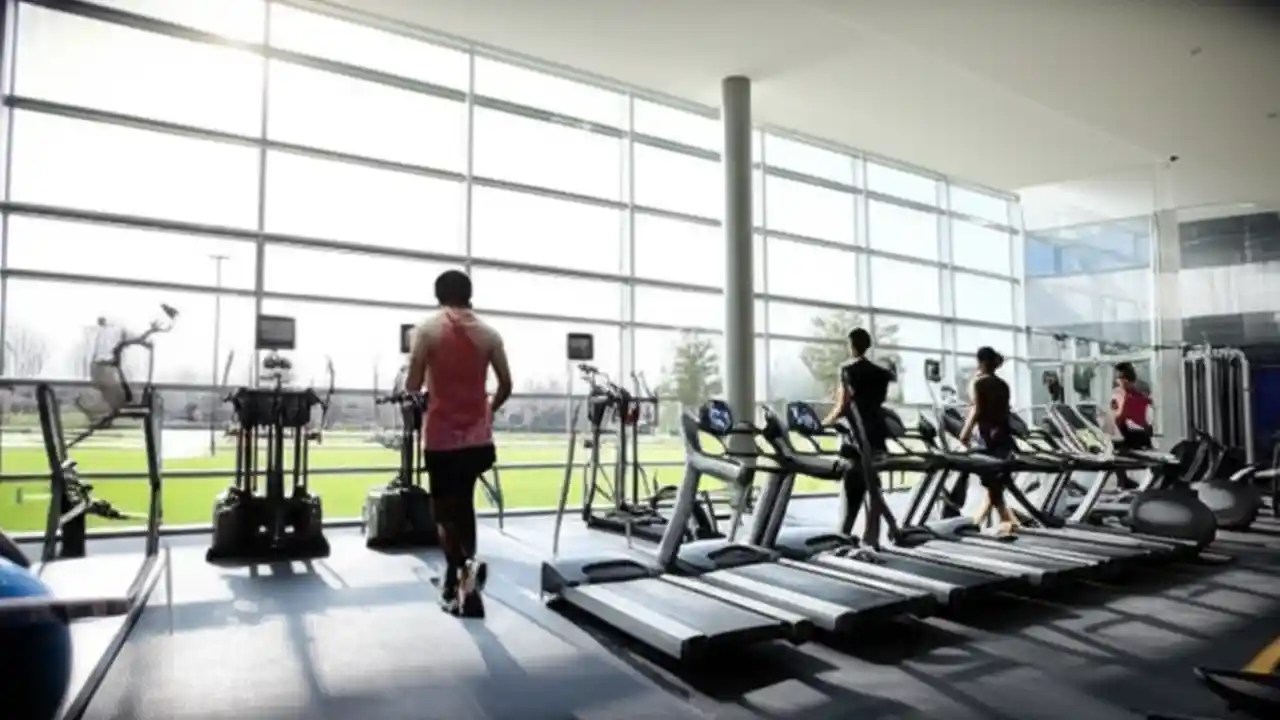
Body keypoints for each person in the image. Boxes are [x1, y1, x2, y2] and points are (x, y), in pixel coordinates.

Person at [405, 270, 512, 617]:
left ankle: (457, 572)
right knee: (464, 504)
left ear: (438, 296)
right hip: (477, 440)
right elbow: (506, 384)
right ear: (470, 294)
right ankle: (464, 577)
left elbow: (412, 383)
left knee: (443, 513)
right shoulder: (489, 334)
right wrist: (487, 410)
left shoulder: (426, 331)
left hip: (441, 438)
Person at [822, 328, 894, 536]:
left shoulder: (848, 370)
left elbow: (843, 404)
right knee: (871, 483)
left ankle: (844, 533)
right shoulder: (882, 374)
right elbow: (878, 402)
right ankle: (872, 535)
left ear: (851, 345)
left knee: (854, 483)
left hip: (856, 433)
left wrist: (825, 423)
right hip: (876, 431)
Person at [957, 346, 1019, 538]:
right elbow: (1004, 412)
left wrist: (964, 434)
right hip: (1003, 437)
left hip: (988, 438)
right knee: (995, 485)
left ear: (981, 361)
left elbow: (978, 410)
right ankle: (997, 521)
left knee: (993, 485)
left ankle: (1006, 522)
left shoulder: (980, 383)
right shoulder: (1003, 384)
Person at [1110, 361, 1153, 489]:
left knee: (1117, 447)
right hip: (1124, 433)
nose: (1120, 381)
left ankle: (1123, 481)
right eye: (1118, 378)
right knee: (1114, 445)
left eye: (1122, 378)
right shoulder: (1117, 394)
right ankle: (1122, 480)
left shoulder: (1138, 396)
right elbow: (1114, 414)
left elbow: (1142, 419)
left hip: (1135, 435)